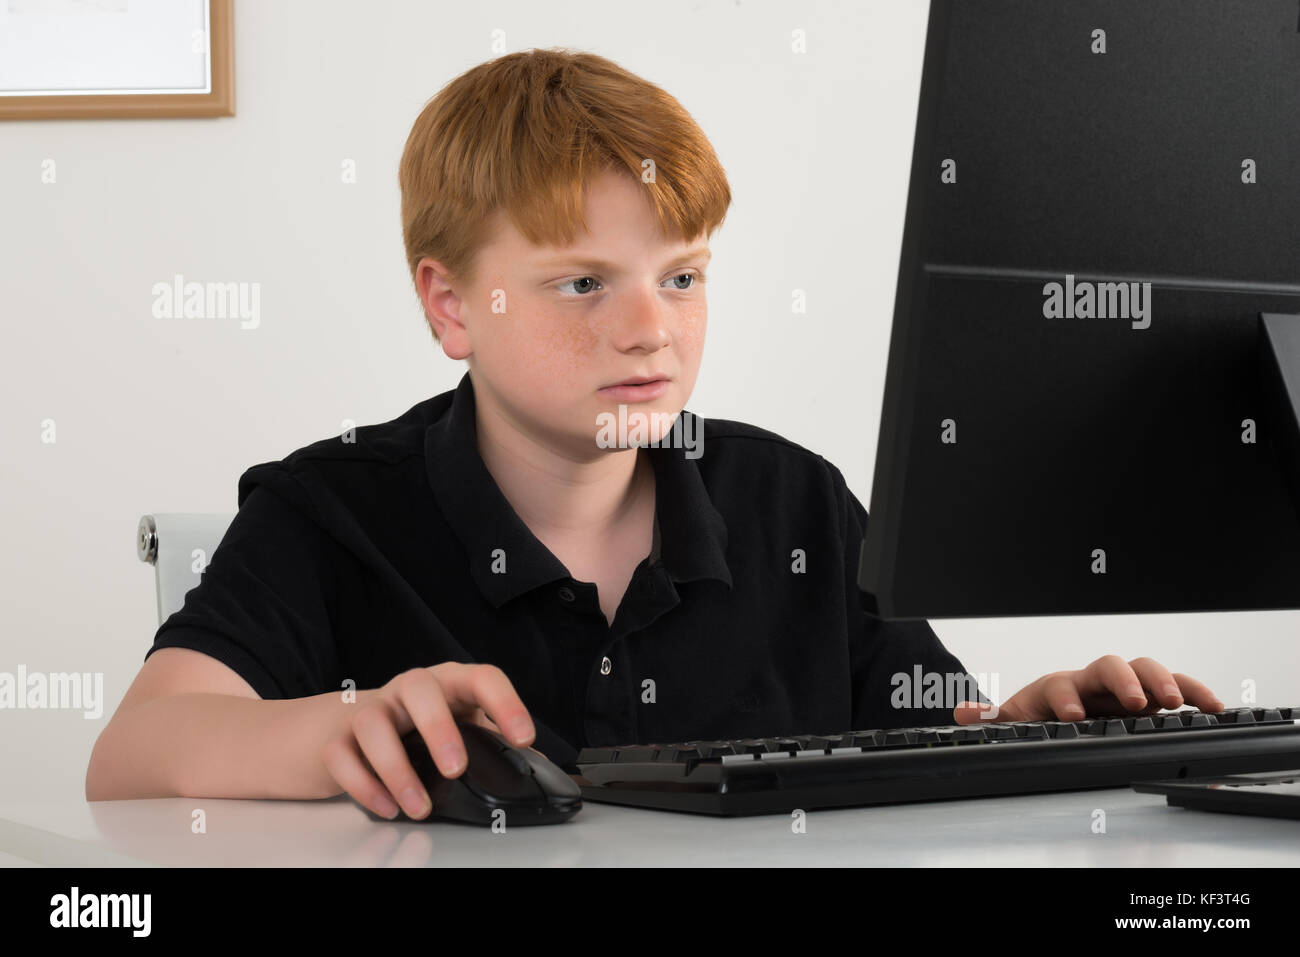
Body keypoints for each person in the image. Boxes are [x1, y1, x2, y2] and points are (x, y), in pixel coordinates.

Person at [86, 49, 1224, 821]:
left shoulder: (796, 504)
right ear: (448, 306)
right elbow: (131, 754)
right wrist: (341, 728)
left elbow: (917, 738)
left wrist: (1019, 735)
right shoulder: (328, 512)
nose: (651, 330)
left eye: (682, 276)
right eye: (582, 283)